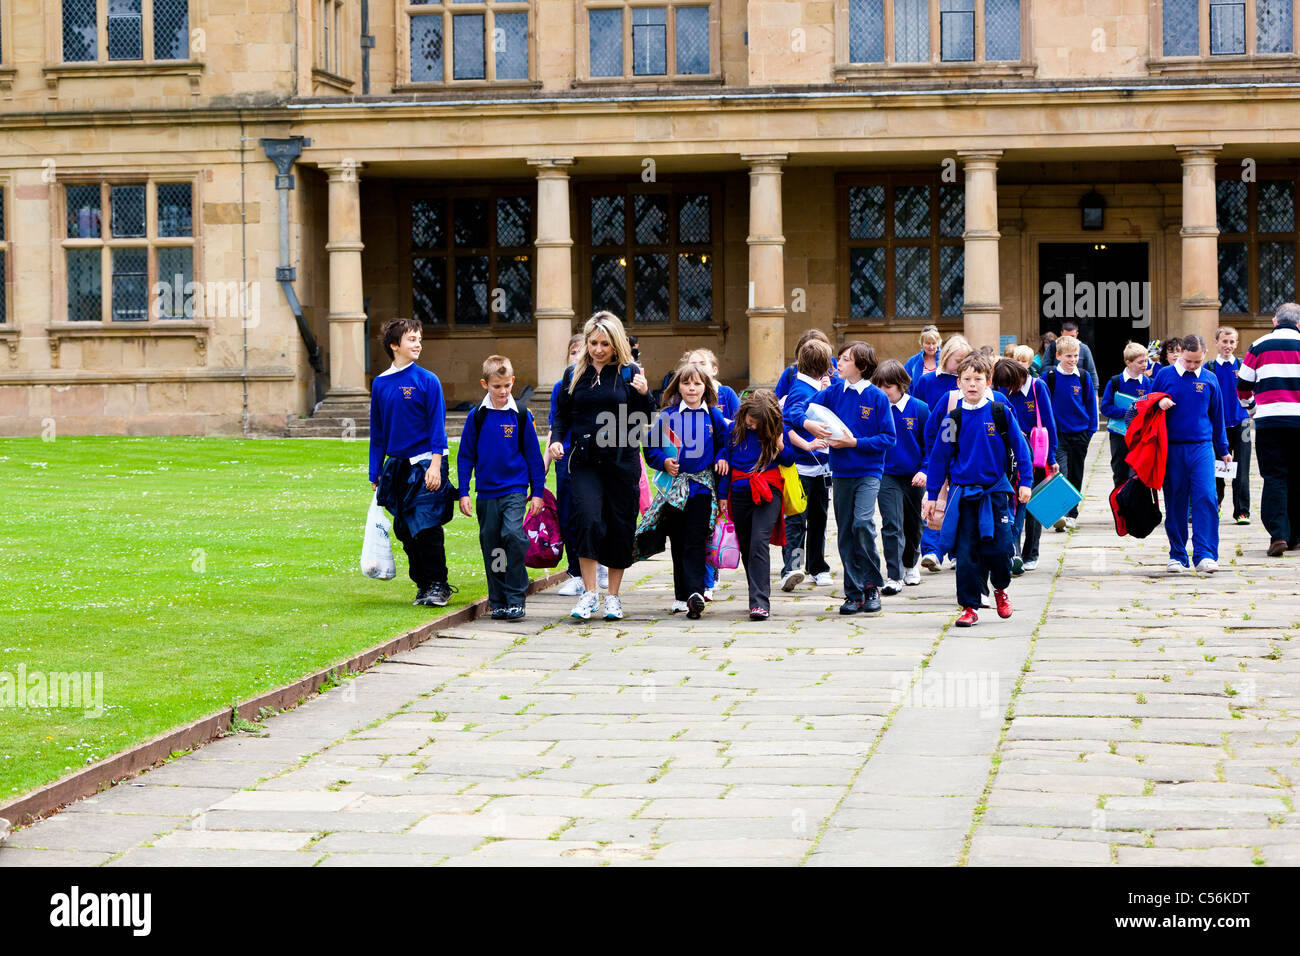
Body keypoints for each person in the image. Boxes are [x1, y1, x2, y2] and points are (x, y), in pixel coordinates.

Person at [549, 311, 654, 621]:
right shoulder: (573, 374)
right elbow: (561, 415)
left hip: (621, 462)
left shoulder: (628, 372)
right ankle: (590, 593)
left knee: (620, 525)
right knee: (588, 519)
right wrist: (556, 440)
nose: (597, 349)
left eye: (604, 344)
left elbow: (645, 417)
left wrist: (646, 394)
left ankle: (613, 597)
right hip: (584, 461)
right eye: (593, 343)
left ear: (616, 343)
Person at [923, 352, 1034, 628]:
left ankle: (1000, 589)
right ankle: (969, 606)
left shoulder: (1001, 413)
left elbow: (1021, 449)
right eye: (967, 379)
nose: (972, 384)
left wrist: (1026, 482)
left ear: (989, 382)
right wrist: (933, 496)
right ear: (959, 382)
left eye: (978, 379)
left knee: (998, 550)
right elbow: (939, 459)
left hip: (995, 494)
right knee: (966, 553)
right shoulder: (953, 419)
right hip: (963, 496)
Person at [369, 318, 457, 607]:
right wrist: (375, 471)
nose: (418, 344)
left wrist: (435, 465)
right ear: (395, 345)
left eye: (419, 339)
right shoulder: (381, 384)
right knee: (405, 529)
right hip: (395, 467)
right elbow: (378, 431)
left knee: (427, 525)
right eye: (411, 339)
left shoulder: (427, 380)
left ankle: (439, 585)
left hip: (427, 462)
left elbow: (437, 427)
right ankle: (422, 584)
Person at [804, 341, 897, 615]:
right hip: (841, 472)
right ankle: (853, 592)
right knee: (844, 531)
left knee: (862, 523)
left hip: (869, 471)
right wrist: (808, 424)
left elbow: (888, 438)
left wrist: (854, 442)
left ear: (862, 366)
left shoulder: (877, 398)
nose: (838, 364)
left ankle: (871, 586)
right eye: (839, 358)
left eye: (845, 360)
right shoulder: (832, 393)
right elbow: (802, 411)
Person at [457, 355, 546, 621]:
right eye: (497, 386)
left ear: (513, 382)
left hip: (515, 489)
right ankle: (499, 600)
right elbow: (465, 456)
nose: (503, 391)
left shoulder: (519, 415)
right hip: (486, 492)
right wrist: (463, 492)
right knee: (493, 546)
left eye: (507, 386)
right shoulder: (477, 416)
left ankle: (517, 596)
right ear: (485, 384)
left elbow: (532, 456)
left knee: (512, 535)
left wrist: (538, 492)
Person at [641, 364, 730, 619]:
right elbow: (651, 448)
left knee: (695, 540)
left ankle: (695, 593)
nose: (692, 388)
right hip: (673, 491)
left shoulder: (713, 416)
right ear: (678, 387)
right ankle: (681, 595)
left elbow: (726, 444)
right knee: (678, 541)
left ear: (706, 387)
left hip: (701, 490)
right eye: (686, 383)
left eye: (698, 383)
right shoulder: (668, 416)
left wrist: (722, 456)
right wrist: (663, 462)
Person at [1152, 334, 1231, 573]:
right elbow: (1145, 405)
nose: (1192, 365)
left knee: (1207, 497)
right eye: (1188, 361)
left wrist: (1223, 449)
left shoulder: (1210, 379)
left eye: (1197, 362)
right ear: (1181, 354)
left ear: (1204, 356)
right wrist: (1158, 403)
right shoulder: (1164, 375)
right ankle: (1177, 554)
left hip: (1202, 447)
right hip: (1172, 447)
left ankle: (1205, 554)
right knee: (1175, 499)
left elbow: (1218, 417)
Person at [717, 390, 795, 620]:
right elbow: (726, 462)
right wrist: (722, 496)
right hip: (739, 493)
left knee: (759, 541)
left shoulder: (776, 431)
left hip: (768, 490)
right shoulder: (733, 430)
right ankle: (756, 593)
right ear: (744, 413)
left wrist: (780, 446)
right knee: (746, 546)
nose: (752, 427)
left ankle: (760, 602)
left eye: (757, 425)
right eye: (750, 422)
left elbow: (790, 460)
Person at [1237, 301, 1300, 557]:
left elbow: (1242, 385)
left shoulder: (1259, 345)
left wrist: (1252, 409)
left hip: (1270, 421)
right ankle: (1295, 534)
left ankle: (1278, 535)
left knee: (1274, 476)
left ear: (1275, 321)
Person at [779, 339, 836, 591]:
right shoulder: (800, 389)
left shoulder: (818, 387)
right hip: (800, 468)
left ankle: (817, 566)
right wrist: (808, 445)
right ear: (826, 366)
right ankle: (792, 568)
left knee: (819, 519)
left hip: (821, 468)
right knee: (796, 520)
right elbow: (789, 422)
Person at [996, 357, 1058, 574]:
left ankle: (1031, 552)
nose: (1006, 388)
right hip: (1012, 456)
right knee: (1014, 503)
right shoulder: (1003, 390)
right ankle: (1015, 553)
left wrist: (1051, 457)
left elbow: (1048, 422)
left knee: (1034, 505)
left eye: (1009, 384)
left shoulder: (1037, 386)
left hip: (1037, 455)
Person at [916, 334, 972, 570]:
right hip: (935, 449)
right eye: (957, 360)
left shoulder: (970, 382)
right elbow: (917, 411)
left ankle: (958, 551)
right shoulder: (928, 381)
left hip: (964, 451)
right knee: (935, 499)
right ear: (946, 357)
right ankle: (931, 551)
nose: (960, 365)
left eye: (965, 360)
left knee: (959, 503)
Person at [872, 359, 929, 594]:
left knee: (913, 524)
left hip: (915, 476)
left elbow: (931, 445)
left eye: (889, 387)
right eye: (880, 387)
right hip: (886, 474)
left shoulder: (920, 408)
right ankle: (894, 575)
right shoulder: (876, 409)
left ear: (901, 385)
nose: (884, 392)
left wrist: (925, 470)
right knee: (891, 524)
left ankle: (910, 564)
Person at [547, 333, 589, 597]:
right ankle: (575, 572)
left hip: (593, 458)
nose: (577, 358)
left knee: (593, 515)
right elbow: (555, 427)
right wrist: (544, 468)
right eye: (573, 353)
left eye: (581, 353)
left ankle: (597, 566)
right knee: (568, 516)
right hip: (566, 459)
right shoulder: (560, 387)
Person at [1042, 335, 1097, 531]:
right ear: (1058, 356)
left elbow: (1091, 403)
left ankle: (1072, 514)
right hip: (1057, 434)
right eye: (1068, 356)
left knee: (1076, 474)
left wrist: (1091, 430)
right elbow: (1042, 404)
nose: (1072, 360)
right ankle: (1058, 514)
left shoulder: (1083, 376)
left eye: (1075, 356)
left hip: (1080, 432)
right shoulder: (1049, 377)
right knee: (1060, 473)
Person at [1211, 326, 1252, 524]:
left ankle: (1242, 511)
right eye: (1224, 341)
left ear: (1236, 344)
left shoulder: (1243, 366)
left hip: (1241, 423)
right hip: (1217, 425)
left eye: (1232, 342)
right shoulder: (1210, 368)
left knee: (1242, 469)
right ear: (1216, 342)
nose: (1228, 345)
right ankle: (1216, 504)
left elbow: (1254, 389)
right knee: (1218, 468)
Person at [1100, 342, 1153, 489]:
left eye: (1146, 360)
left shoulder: (1147, 383)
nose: (1145, 364)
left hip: (1139, 435)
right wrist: (1128, 413)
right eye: (1140, 362)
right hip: (1119, 435)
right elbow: (1105, 408)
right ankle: (1120, 506)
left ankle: (1136, 506)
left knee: (1138, 474)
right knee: (1120, 472)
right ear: (1128, 363)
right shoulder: (1116, 382)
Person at [776, 328, 837, 400]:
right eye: (807, 352)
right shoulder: (791, 372)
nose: (812, 357)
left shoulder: (832, 369)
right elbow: (777, 399)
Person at [1042, 321, 1100, 391]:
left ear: (1077, 334)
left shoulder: (1084, 349)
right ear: (1061, 333)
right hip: (1057, 386)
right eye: (1068, 356)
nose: (1069, 339)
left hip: (1078, 388)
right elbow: (1044, 368)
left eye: (1076, 356)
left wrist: (1095, 392)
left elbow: (1092, 372)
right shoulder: (1053, 347)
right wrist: (1061, 369)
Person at [689, 348, 740, 421]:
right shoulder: (682, 394)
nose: (697, 367)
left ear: (714, 370)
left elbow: (741, 423)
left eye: (702, 364)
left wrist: (722, 424)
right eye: (693, 364)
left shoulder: (726, 393)